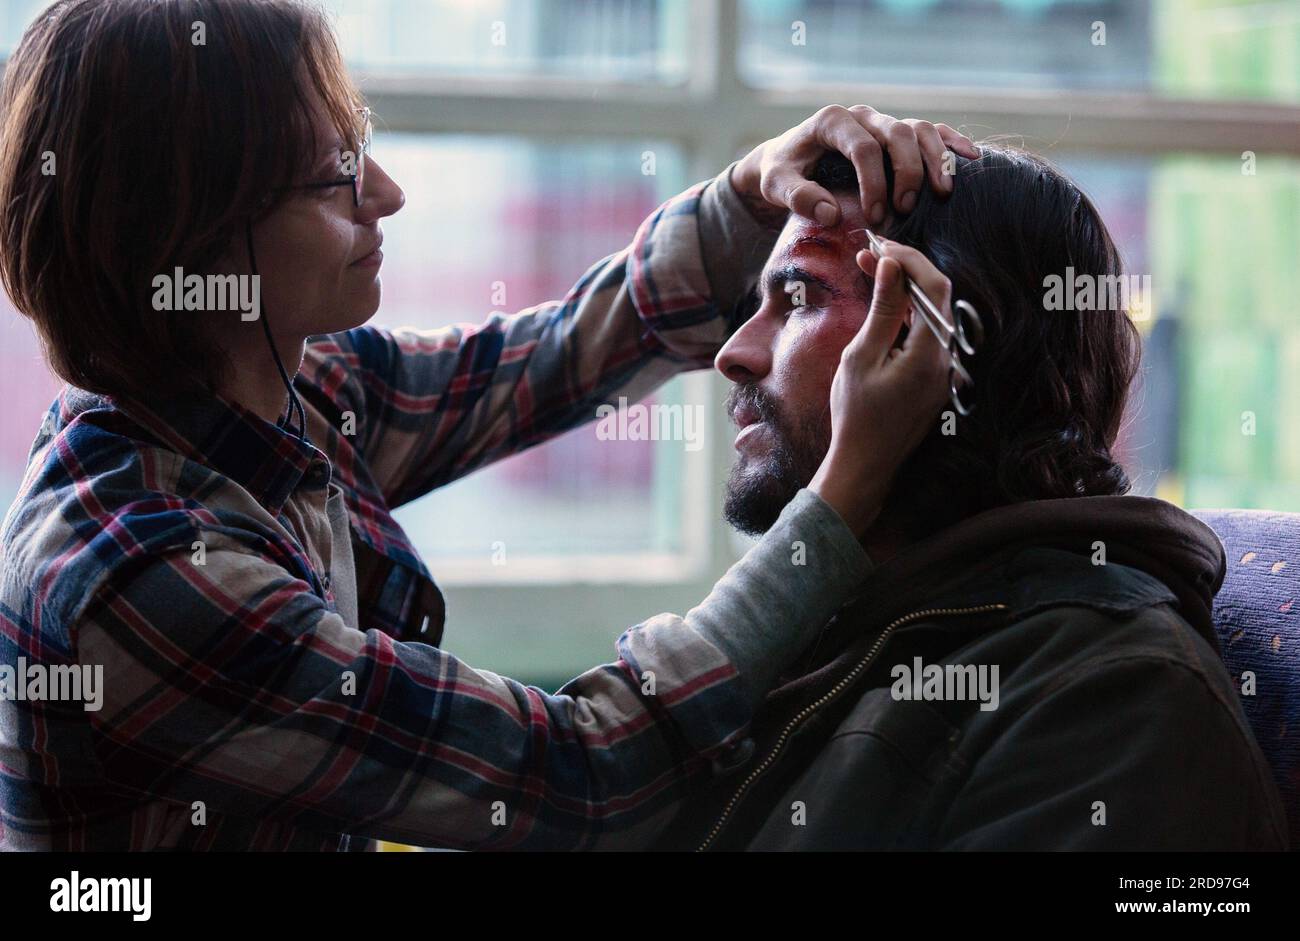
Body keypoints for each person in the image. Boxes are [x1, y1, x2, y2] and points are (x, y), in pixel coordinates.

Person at [0, 0, 976, 850]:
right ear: (196, 236)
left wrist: (746, 194)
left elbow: (558, 356)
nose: (386, 194)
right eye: (330, 177)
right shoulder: (141, 580)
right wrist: (836, 501)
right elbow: (582, 778)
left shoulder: (281, 395)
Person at [650, 146, 1289, 851]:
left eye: (799, 296)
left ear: (941, 350)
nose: (732, 353)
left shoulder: (1111, 698)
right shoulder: (831, 631)